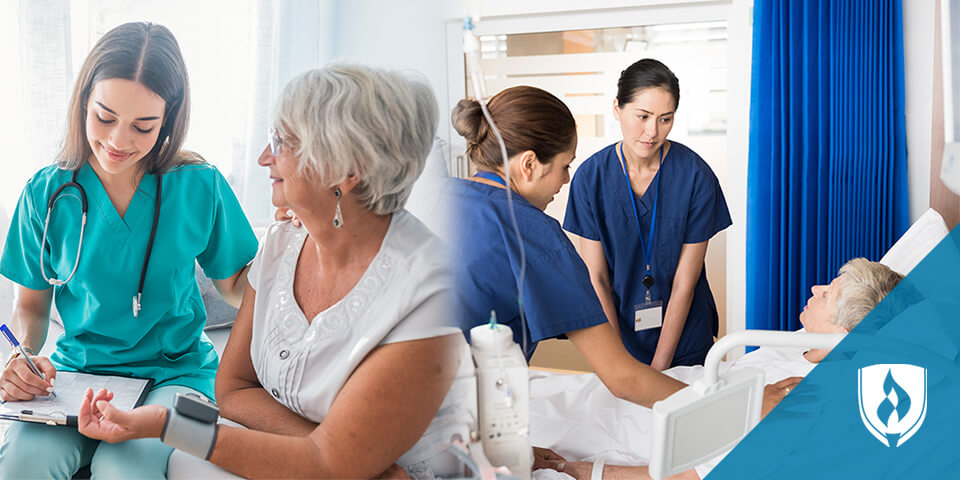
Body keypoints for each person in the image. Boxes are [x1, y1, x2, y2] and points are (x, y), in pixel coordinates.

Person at [78, 64, 469, 479]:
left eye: (283, 142)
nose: (265, 157)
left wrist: (168, 425)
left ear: (346, 170)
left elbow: (327, 464)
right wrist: (338, 450)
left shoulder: (428, 292)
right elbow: (232, 391)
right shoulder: (283, 244)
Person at [0, 22, 257, 478]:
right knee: (23, 462)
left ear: (170, 120)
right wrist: (21, 357)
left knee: (125, 470)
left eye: (143, 126)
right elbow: (30, 307)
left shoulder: (199, 185)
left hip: (177, 377)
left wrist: (299, 250)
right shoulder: (45, 193)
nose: (118, 142)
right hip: (77, 374)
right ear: (83, 103)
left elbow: (241, 287)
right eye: (104, 117)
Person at [449, 85, 795, 413]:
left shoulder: (438, 196)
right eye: (563, 166)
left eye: (665, 117)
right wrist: (741, 405)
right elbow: (622, 378)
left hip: (435, 399)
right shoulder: (535, 232)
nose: (566, 179)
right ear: (528, 165)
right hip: (457, 409)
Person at [533, 258, 904, 479]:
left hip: (629, 430)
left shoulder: (799, 399)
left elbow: (691, 476)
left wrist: (579, 470)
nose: (815, 287)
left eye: (828, 294)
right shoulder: (799, 348)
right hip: (642, 396)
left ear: (844, 333)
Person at [564, 58, 731, 370]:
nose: (652, 132)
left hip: (684, 339)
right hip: (618, 332)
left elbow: (685, 280)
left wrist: (659, 367)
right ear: (617, 108)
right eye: (642, 116)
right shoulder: (591, 178)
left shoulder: (695, 176)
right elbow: (597, 278)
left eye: (665, 119)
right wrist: (619, 362)